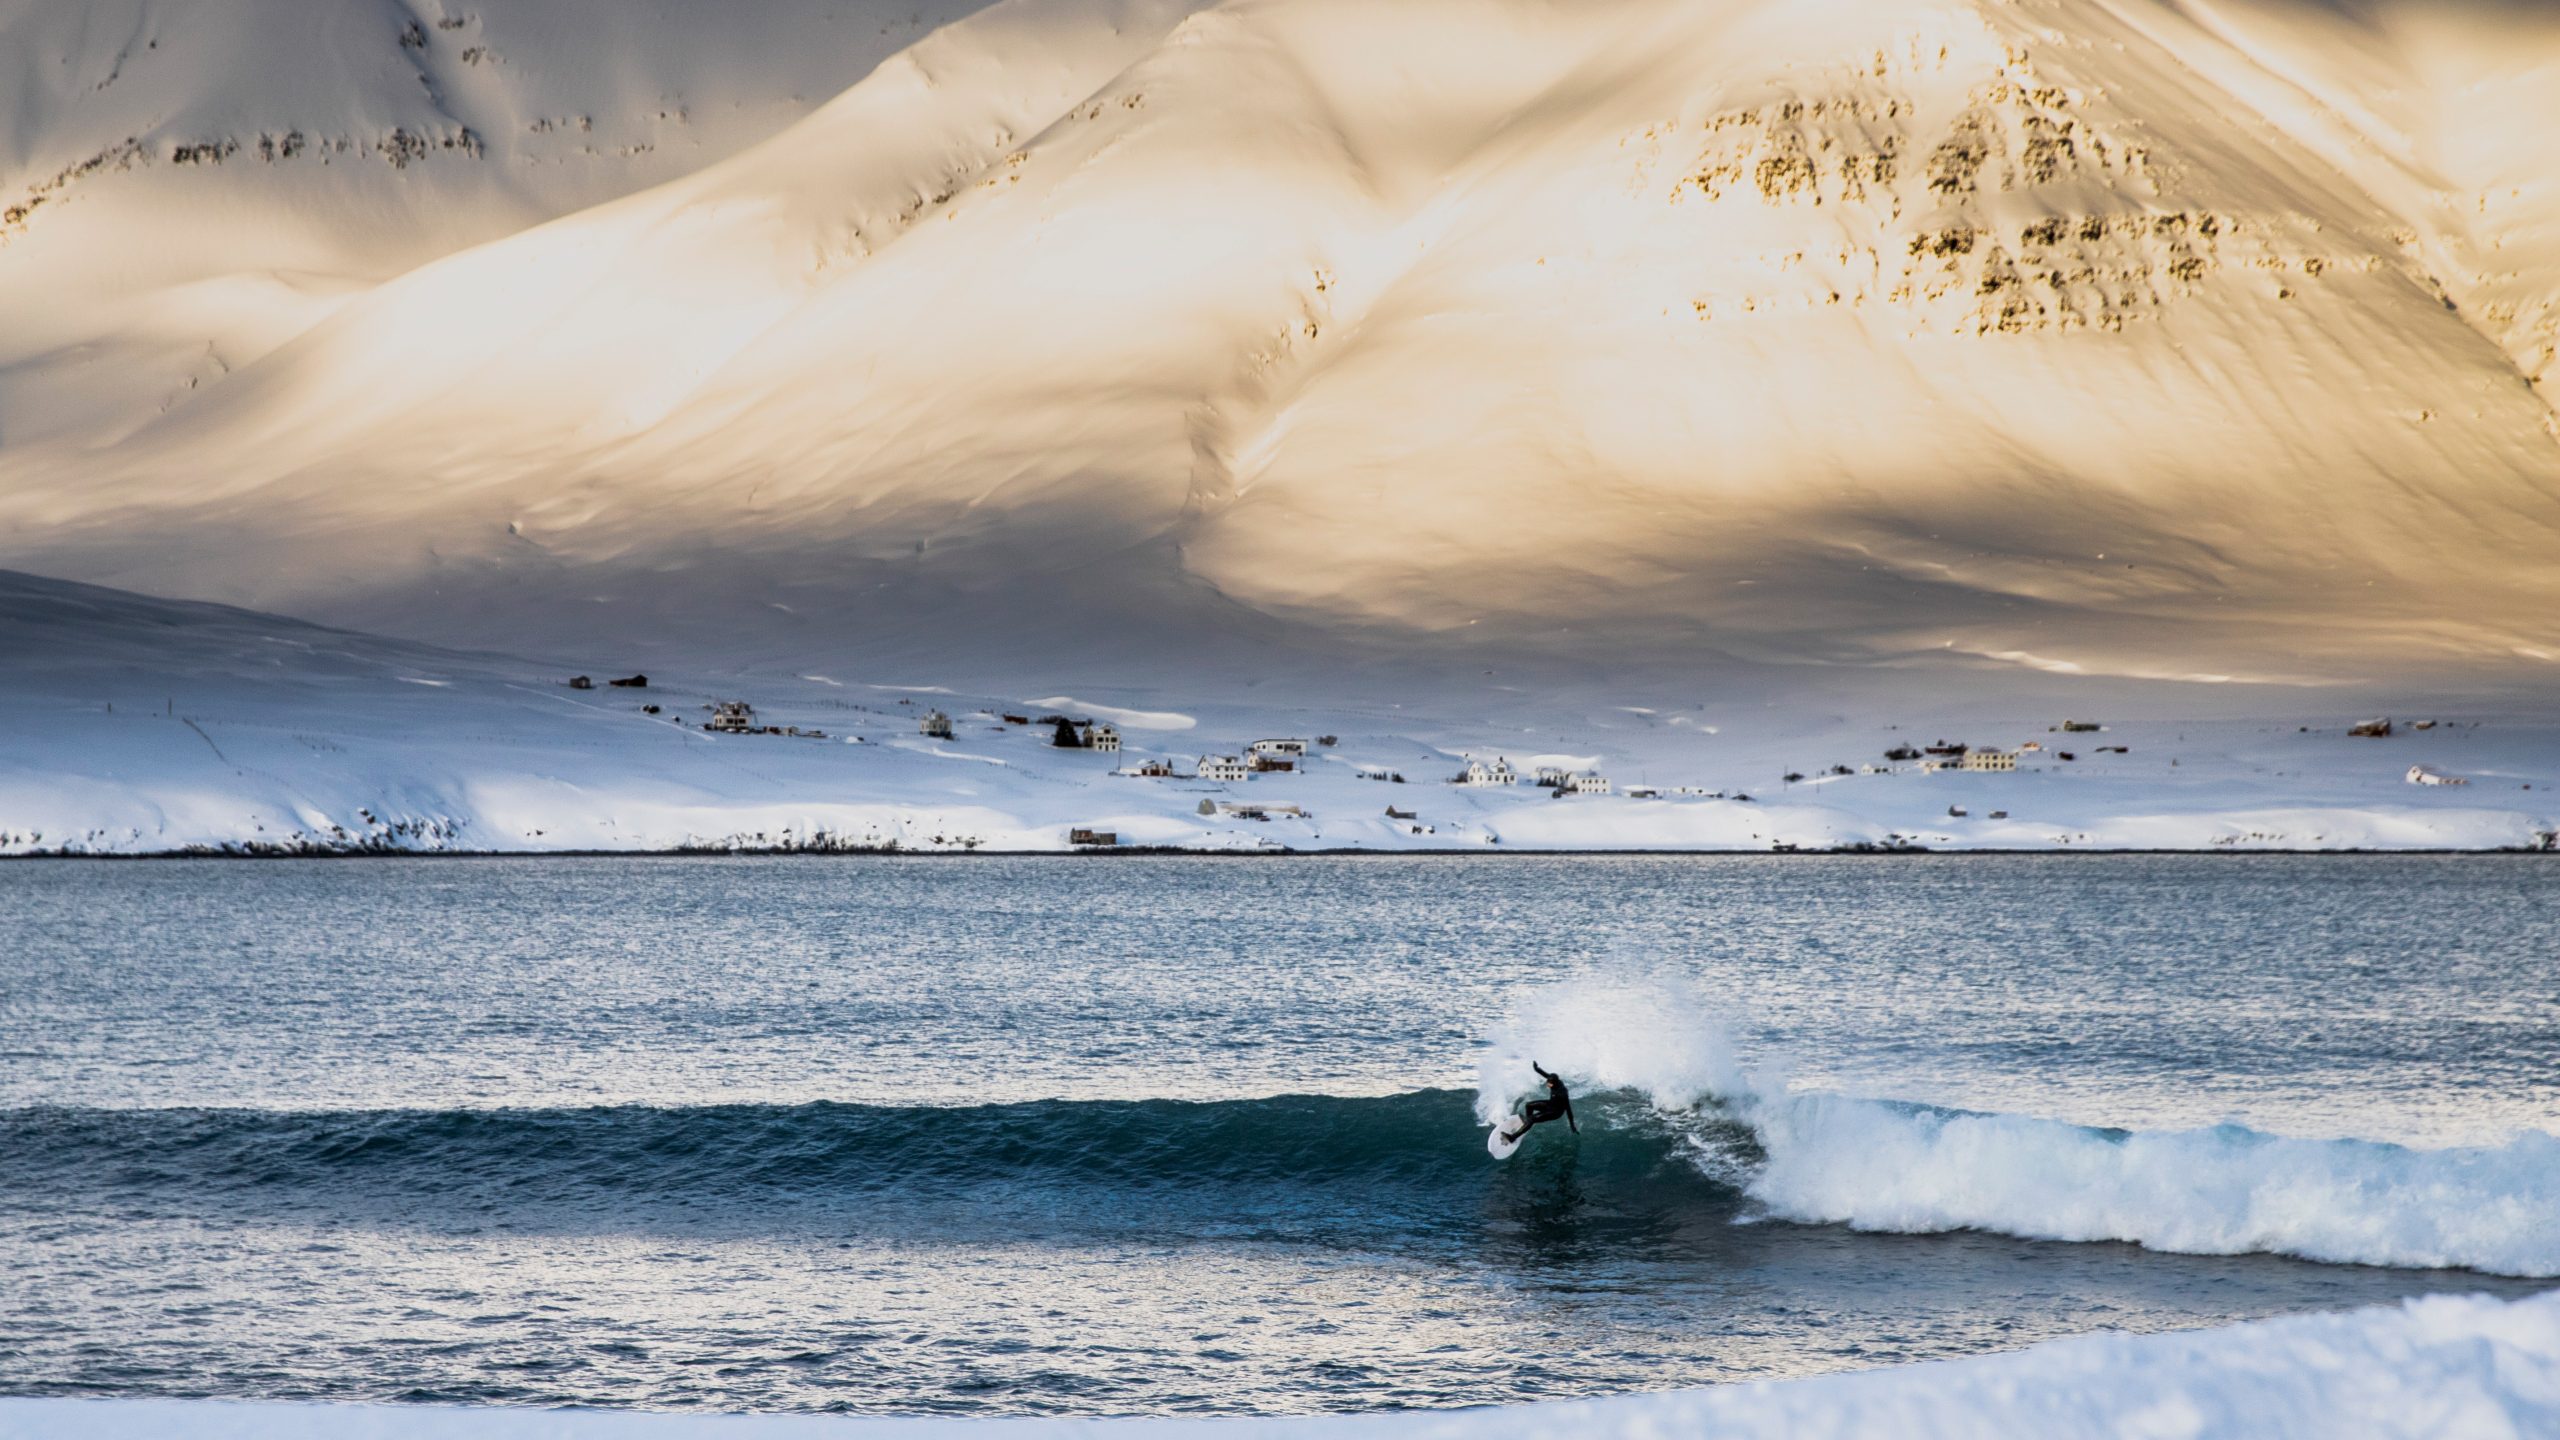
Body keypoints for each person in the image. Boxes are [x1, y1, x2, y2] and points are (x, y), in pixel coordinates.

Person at [1506, 1062, 1577, 1139]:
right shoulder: (1553, 1080)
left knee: (1532, 1119)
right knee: (1529, 1105)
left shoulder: (1562, 1093)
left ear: (1555, 1083)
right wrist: (1536, 1068)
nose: (1547, 1084)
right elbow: (1545, 1074)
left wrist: (1572, 1125)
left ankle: (1512, 1137)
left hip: (1555, 1112)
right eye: (1548, 1082)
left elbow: (1568, 1110)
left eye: (1549, 1083)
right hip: (1550, 1104)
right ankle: (1527, 1123)